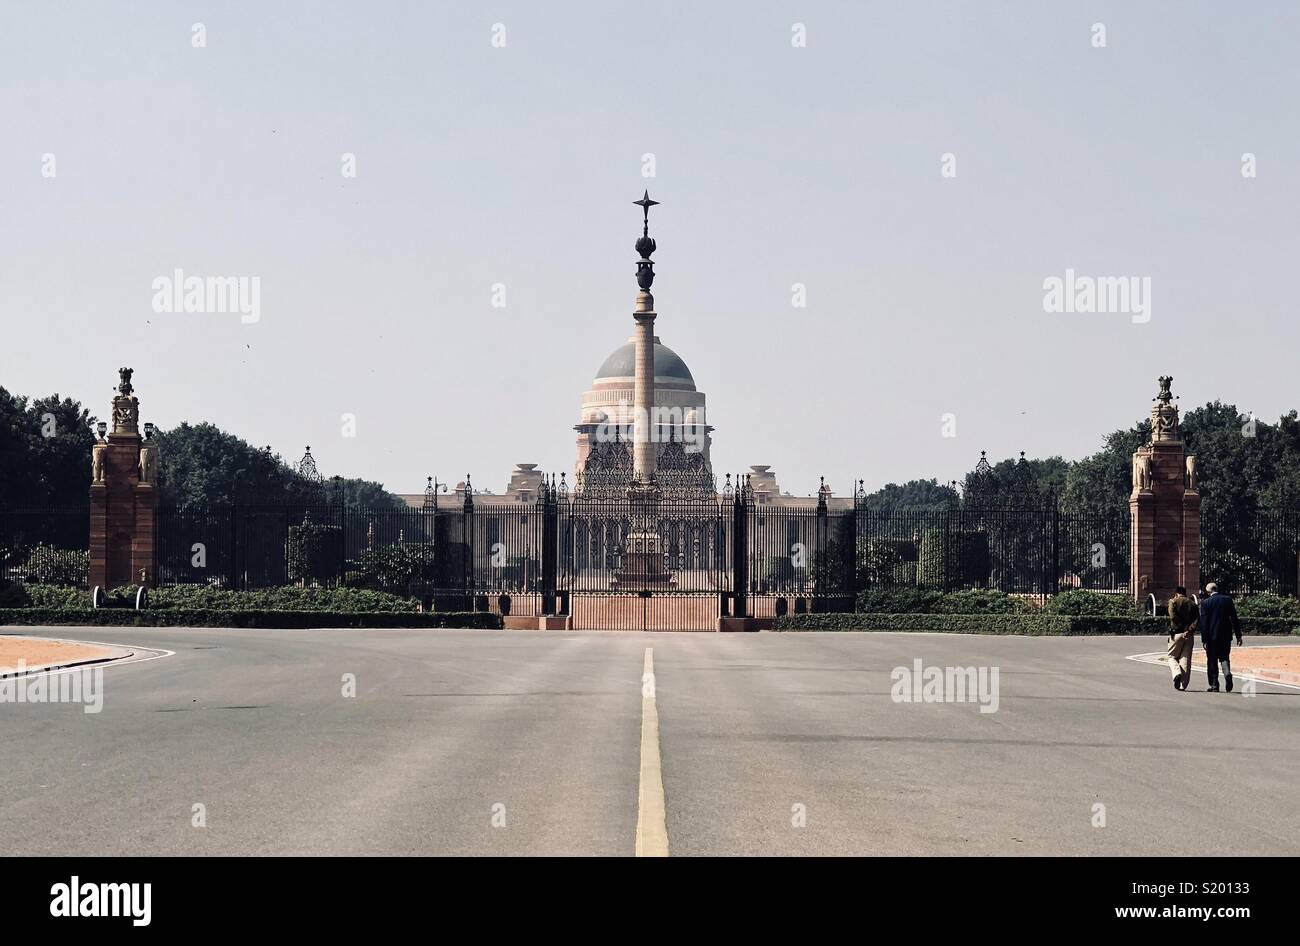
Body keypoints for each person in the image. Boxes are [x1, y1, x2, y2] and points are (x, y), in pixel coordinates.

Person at [1199, 582, 1243, 692]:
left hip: (1211, 637)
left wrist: (1204, 640)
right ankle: (1227, 673)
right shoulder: (1227, 600)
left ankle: (1214, 684)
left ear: (1209, 592)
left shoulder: (1205, 603)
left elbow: (1204, 623)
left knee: (1212, 660)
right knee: (1224, 657)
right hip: (1225, 635)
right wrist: (1238, 635)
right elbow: (1234, 619)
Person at [1165, 586, 1198, 690]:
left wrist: (1182, 628)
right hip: (1189, 634)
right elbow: (1197, 620)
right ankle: (1183, 685)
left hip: (1177, 633)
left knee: (1172, 656)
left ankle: (1176, 673)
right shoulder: (1193, 604)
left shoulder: (1173, 602)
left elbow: (1173, 616)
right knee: (1185, 659)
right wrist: (1189, 630)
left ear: (1176, 593)